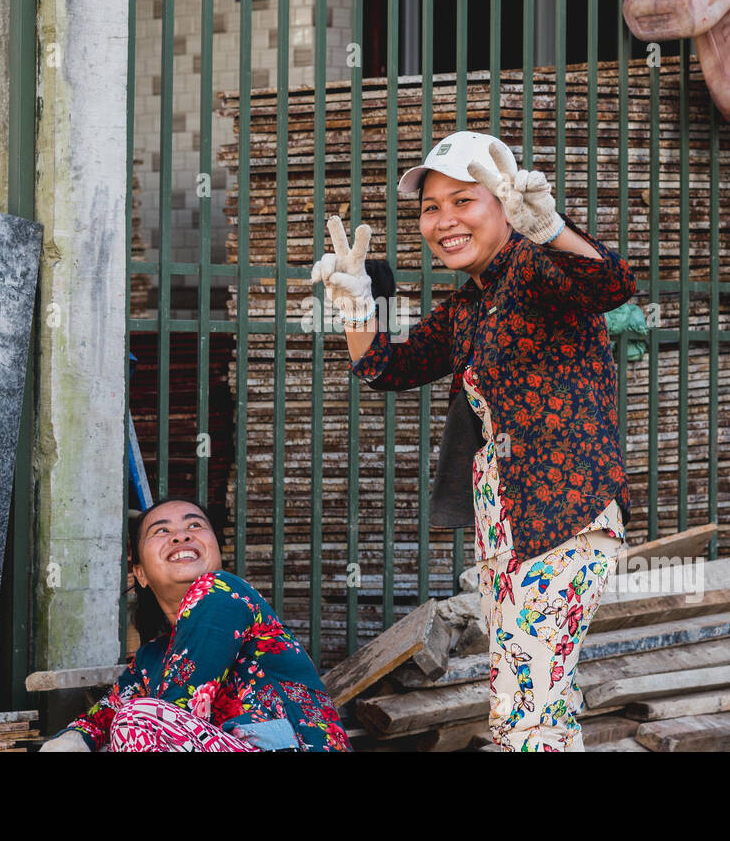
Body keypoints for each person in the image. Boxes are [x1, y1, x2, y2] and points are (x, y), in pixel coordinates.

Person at [311, 130, 637, 751]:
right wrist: (356, 305)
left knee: (527, 706)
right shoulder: (469, 304)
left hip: (564, 516)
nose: (443, 221)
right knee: (536, 696)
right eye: (432, 207)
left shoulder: (538, 265)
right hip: (508, 521)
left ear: (504, 203)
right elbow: (386, 368)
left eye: (464, 201)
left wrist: (550, 228)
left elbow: (610, 286)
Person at [39, 498, 351, 752]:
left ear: (216, 554)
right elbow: (102, 717)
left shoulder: (224, 591)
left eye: (195, 525)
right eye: (161, 531)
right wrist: (74, 737)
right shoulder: (151, 658)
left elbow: (175, 709)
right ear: (141, 574)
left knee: (137, 722)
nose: (181, 535)